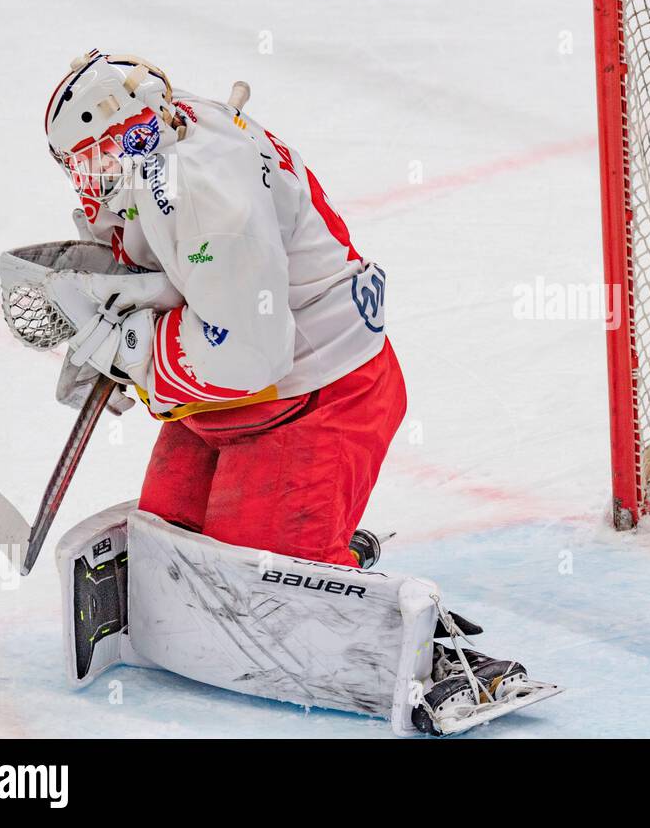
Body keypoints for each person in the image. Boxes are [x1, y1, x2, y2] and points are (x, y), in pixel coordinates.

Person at [43, 50, 406, 567]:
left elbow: (245, 356)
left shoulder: (202, 190)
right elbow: (197, 261)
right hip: (244, 398)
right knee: (171, 553)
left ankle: (380, 604)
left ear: (126, 134)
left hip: (322, 393)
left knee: (259, 595)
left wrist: (132, 350)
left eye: (95, 158)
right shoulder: (169, 125)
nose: (89, 180)